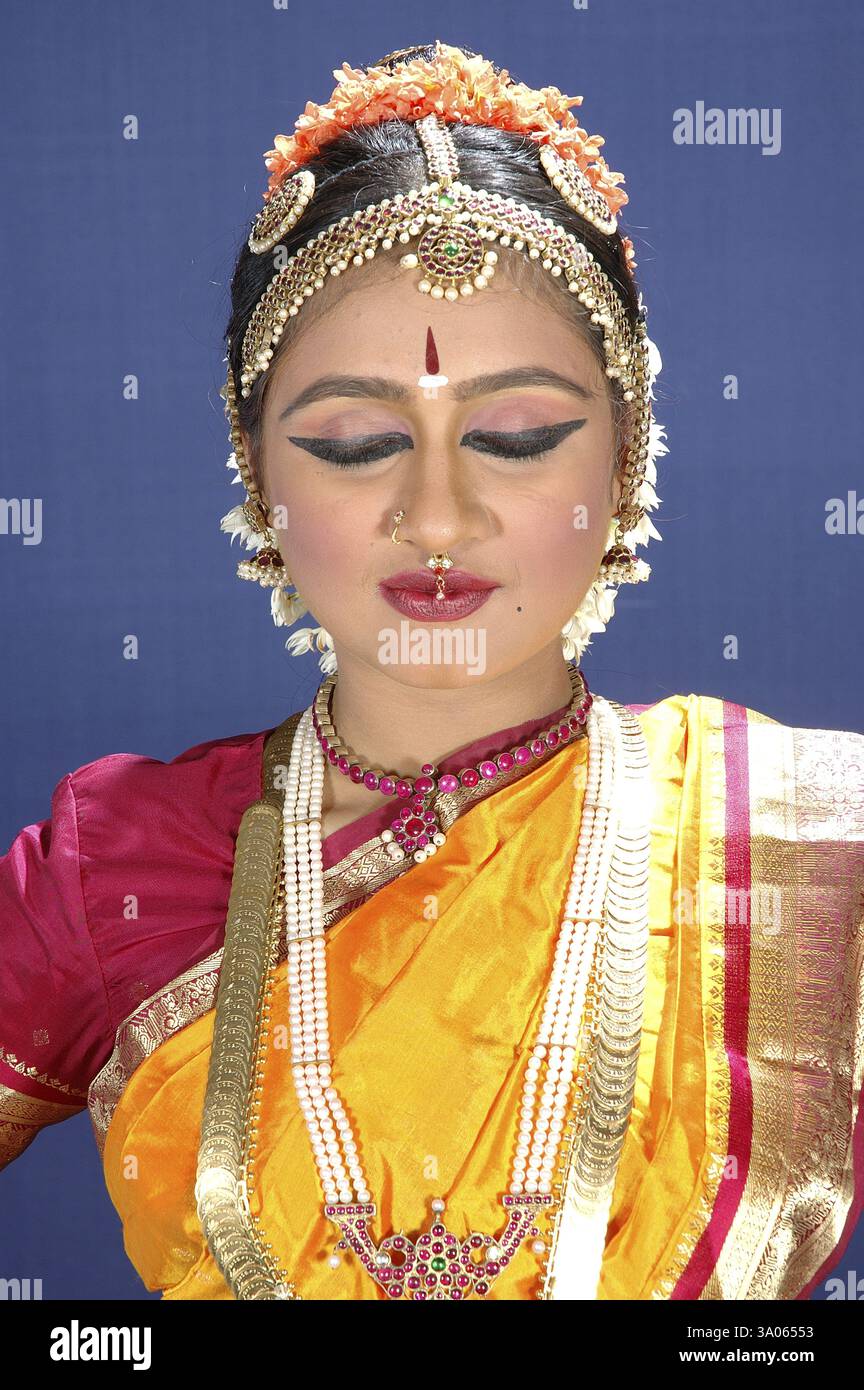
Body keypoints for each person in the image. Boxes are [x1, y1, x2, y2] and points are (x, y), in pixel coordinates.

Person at [2, 40, 862, 1303]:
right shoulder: (112, 864)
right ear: (259, 474)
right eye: (355, 445)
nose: (440, 515)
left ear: (625, 461)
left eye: (518, 437)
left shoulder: (806, 843)